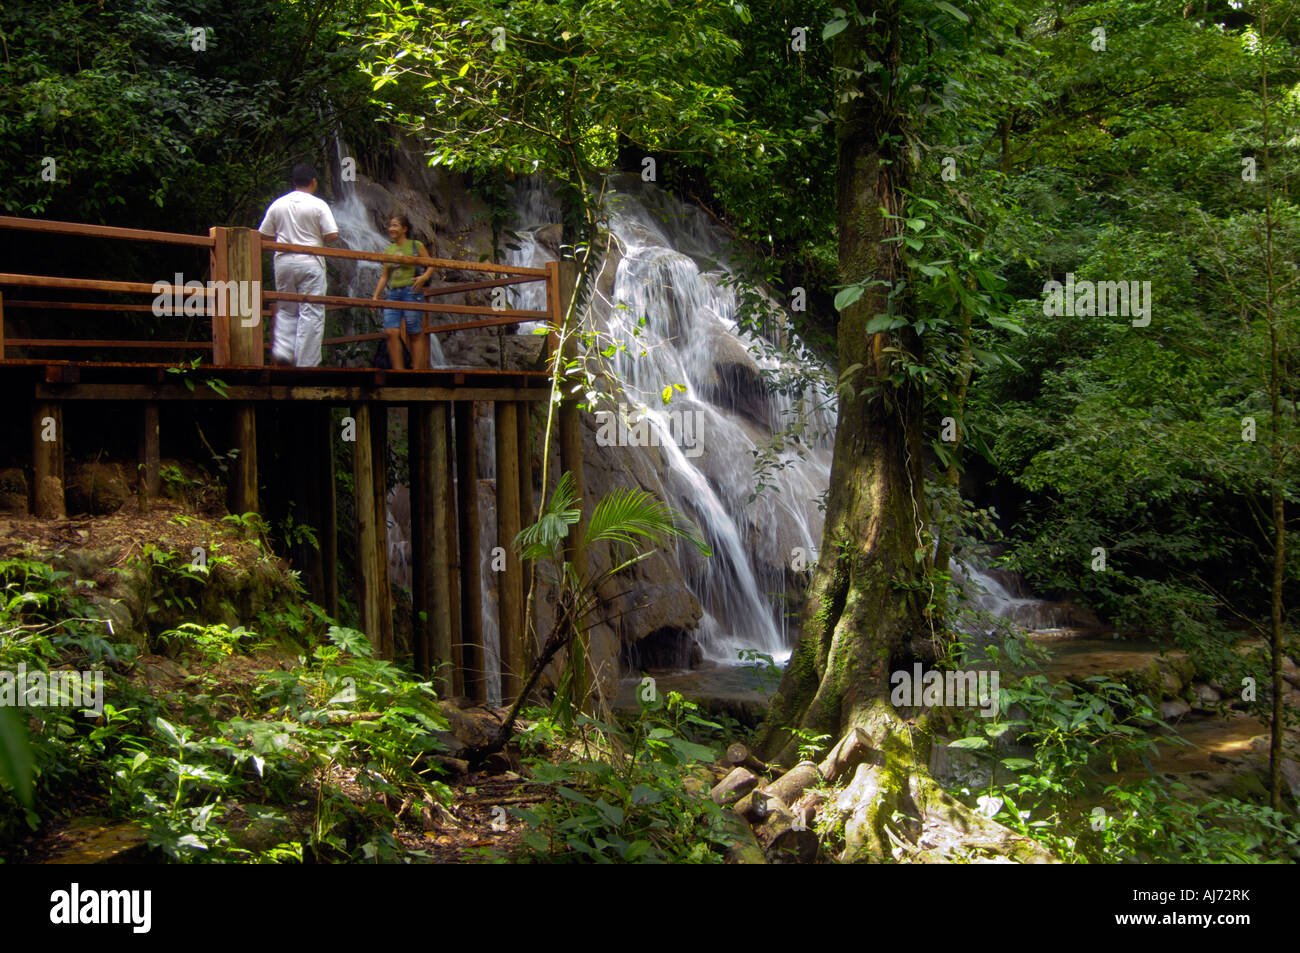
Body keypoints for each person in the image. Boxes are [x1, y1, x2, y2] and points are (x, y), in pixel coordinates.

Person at [257, 163, 339, 366]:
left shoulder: (278, 204)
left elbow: (263, 234)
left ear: (293, 182)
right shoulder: (318, 204)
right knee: (311, 312)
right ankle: (306, 363)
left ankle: (284, 352)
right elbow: (332, 234)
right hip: (310, 261)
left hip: (283, 262)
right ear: (314, 182)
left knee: (286, 308)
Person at [371, 214, 436, 369]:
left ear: (404, 228)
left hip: (412, 291)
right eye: (390, 226)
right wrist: (375, 296)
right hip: (393, 293)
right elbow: (385, 275)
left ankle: (415, 371)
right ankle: (399, 371)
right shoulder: (389, 249)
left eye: (395, 225)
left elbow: (431, 264)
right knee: (391, 332)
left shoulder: (415, 245)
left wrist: (423, 277)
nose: (391, 229)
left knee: (414, 332)